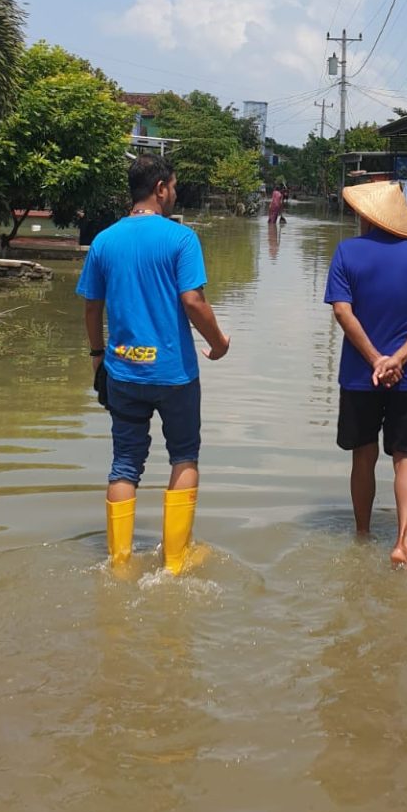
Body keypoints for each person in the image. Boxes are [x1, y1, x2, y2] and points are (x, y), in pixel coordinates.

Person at [77, 156, 230, 573]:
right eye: (174, 186)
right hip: (175, 374)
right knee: (184, 457)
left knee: (124, 465)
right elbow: (193, 301)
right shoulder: (181, 240)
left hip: (122, 370)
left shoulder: (104, 241)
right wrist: (219, 343)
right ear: (161, 188)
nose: (176, 193)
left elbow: (93, 309)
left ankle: (120, 562)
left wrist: (97, 357)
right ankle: (175, 563)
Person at [325, 180, 407, 569]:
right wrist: (398, 359)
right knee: (406, 458)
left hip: (361, 376)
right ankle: (402, 543)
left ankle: (362, 535)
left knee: (363, 456)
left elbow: (343, 312)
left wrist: (377, 358)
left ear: (367, 217)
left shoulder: (347, 253)